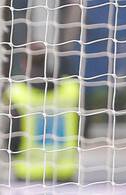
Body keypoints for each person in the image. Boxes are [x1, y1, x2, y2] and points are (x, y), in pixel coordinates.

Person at [5, 43, 80, 182]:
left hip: (29, 172)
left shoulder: (18, 93)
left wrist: (12, 153)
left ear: (24, 63)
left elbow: (13, 134)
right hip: (63, 171)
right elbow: (83, 125)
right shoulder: (71, 89)